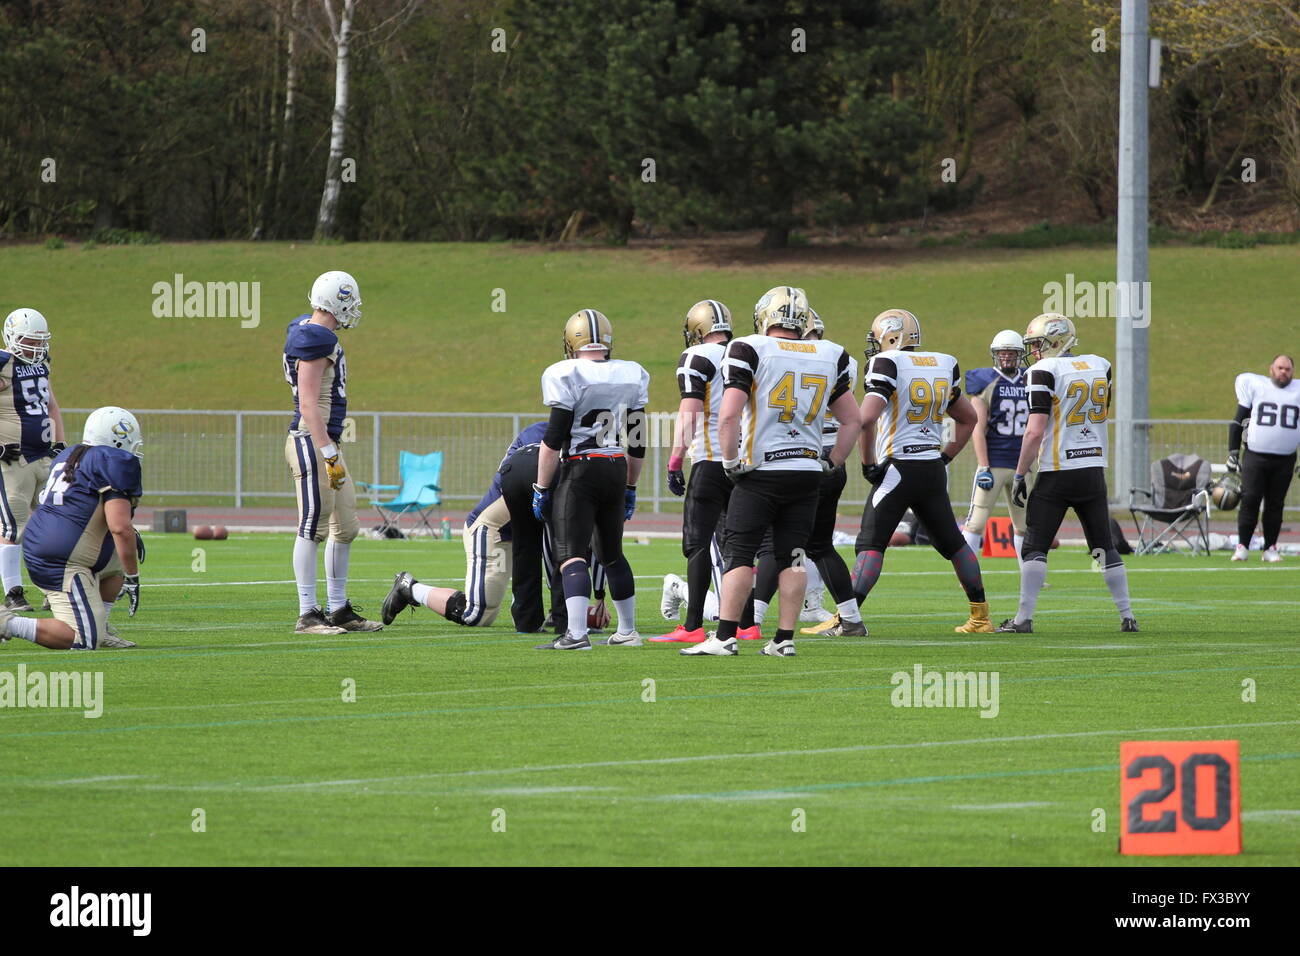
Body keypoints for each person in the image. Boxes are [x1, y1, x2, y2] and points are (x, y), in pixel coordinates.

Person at [683, 286, 860, 658]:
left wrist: (730, 462)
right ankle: (783, 639)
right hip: (807, 471)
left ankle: (725, 636)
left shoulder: (750, 348)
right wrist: (834, 461)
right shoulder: (830, 353)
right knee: (794, 556)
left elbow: (729, 415)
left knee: (740, 554)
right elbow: (852, 419)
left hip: (762, 471)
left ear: (766, 316)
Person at [851, 309, 994, 634]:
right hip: (931, 467)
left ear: (889, 336)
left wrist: (868, 463)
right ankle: (980, 616)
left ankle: (848, 617)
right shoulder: (942, 363)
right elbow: (968, 419)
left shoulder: (886, 364)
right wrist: (945, 457)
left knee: (871, 544)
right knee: (955, 544)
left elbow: (867, 418)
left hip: (897, 468)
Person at [996, 313, 1137, 633]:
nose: (1033, 351)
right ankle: (1127, 616)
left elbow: (1034, 431)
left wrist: (1020, 474)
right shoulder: (1099, 365)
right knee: (1103, 545)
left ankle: (1023, 619)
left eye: (1038, 344)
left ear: (1056, 341)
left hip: (1058, 469)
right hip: (1092, 468)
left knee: (1034, 546)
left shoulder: (1045, 370)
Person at [531, 309, 649, 650]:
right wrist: (630, 486)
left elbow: (553, 440)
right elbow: (638, 441)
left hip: (581, 468)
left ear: (571, 341)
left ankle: (577, 634)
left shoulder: (567, 373)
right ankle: (628, 631)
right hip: (614, 465)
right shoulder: (631, 374)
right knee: (612, 553)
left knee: (571, 553)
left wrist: (540, 487)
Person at [654, 299, 759, 644]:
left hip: (711, 460)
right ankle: (747, 625)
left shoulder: (698, 356)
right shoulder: (747, 350)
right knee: (738, 545)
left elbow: (689, 413)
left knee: (697, 543)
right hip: (744, 462)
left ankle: (693, 624)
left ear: (698, 330)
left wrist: (674, 461)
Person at [283, 270, 381, 635]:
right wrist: (328, 452)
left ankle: (338, 609)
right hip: (311, 440)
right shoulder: (313, 338)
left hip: (325, 443)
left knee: (347, 526)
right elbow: (309, 405)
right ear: (339, 302)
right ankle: (308, 613)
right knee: (313, 526)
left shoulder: (311, 330)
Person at [0, 407, 143, 650]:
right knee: (84, 639)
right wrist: (133, 577)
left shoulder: (71, 453)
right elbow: (119, 527)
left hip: (50, 541)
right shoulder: (114, 459)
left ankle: (101, 625)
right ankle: (7, 623)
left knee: (125, 546)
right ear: (119, 438)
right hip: (61, 556)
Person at [795, 309, 866, 637]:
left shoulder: (789, 356)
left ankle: (749, 618)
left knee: (773, 542)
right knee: (819, 544)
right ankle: (849, 616)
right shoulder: (841, 358)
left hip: (799, 455)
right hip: (834, 456)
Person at [0, 308, 66, 611]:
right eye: (29, 341)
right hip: (12, 459)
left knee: (55, 525)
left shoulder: (41, 365)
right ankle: (13, 593)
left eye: (40, 341)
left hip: (43, 457)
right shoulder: (3, 363)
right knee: (13, 528)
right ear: (12, 338)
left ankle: (55, 591)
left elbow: (51, 406)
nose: (36, 347)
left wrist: (59, 442)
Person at [961, 329, 1036, 567]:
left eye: (1011, 354)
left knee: (1025, 523)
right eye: (1002, 353)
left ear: (1020, 355)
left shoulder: (1032, 379)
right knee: (976, 521)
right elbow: (977, 428)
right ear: (995, 355)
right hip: (994, 462)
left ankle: (1030, 574)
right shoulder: (985, 381)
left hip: (1023, 465)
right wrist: (983, 465)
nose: (1006, 358)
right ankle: (967, 573)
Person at [1228, 354, 1299, 563]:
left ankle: (1270, 547)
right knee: (1250, 500)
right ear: (1271, 369)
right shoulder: (1256, 385)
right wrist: (1232, 452)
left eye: (1287, 369)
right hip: (1256, 456)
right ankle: (1242, 546)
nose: (1283, 372)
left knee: (1275, 504)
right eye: (1279, 368)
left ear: (1292, 372)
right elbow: (1237, 421)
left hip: (1285, 459)